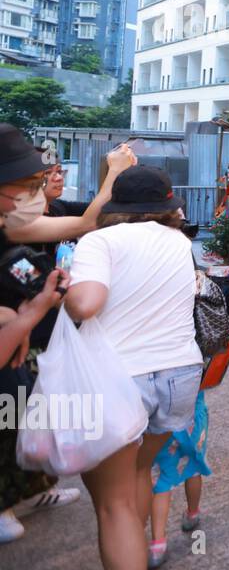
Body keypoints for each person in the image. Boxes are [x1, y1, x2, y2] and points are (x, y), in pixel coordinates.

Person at [60, 166, 204, 570]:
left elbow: (85, 304)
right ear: (165, 203)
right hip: (179, 376)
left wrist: (61, 290)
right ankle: (131, 563)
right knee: (140, 472)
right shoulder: (179, 242)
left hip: (121, 378)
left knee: (112, 503)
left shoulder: (99, 240)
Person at [0, 127, 135, 546]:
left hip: (23, 339)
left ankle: (31, 488)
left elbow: (87, 221)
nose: (34, 194)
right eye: (26, 185)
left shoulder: (15, 225)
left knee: (17, 415)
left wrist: (13, 319)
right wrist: (22, 319)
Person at [147, 389, 211, 570]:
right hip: (193, 421)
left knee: (162, 481)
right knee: (193, 470)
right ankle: (192, 514)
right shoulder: (198, 359)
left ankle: (158, 544)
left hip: (163, 423)